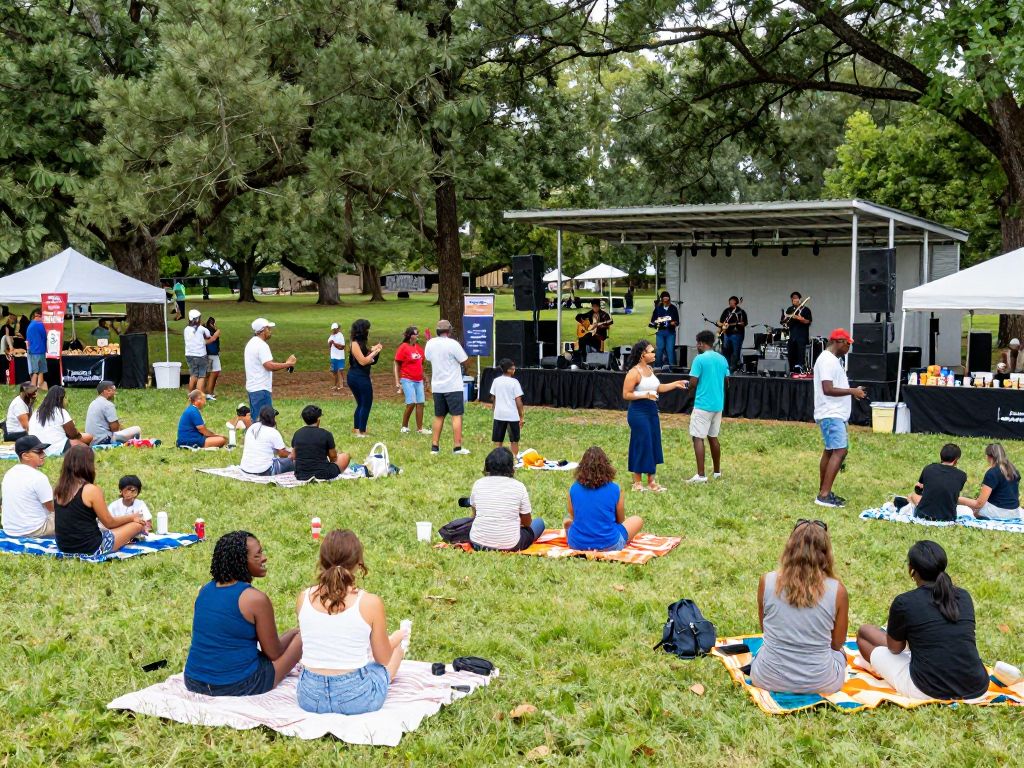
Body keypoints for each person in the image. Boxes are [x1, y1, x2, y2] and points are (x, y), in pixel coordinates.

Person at [855, 541, 989, 701]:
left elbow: (895, 649)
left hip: (927, 689)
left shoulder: (904, 602)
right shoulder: (964, 596)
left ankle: (874, 666)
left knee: (864, 635)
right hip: (977, 687)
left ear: (911, 569)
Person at [294, 529, 408, 715]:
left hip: (309, 697)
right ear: (358, 563)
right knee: (388, 660)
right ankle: (402, 650)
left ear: (322, 560)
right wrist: (396, 639)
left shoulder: (303, 598)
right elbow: (383, 658)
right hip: (356, 699)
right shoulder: (370, 602)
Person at [184, 530, 303, 696]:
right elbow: (274, 653)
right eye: (257, 555)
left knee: (296, 635)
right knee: (306, 636)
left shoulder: (205, 590)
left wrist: (291, 633)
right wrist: (299, 635)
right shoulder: (255, 599)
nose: (264, 558)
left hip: (194, 681)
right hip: (237, 685)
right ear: (240, 561)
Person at [750, 519, 849, 695]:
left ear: (790, 548)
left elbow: (765, 628)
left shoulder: (767, 581)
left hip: (767, 678)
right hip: (821, 682)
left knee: (764, 648)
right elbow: (836, 643)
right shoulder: (837, 591)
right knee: (841, 653)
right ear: (826, 553)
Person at [54, 444, 147, 556]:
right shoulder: (91, 490)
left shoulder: (58, 489)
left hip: (63, 546)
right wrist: (132, 517)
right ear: (87, 465)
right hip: (92, 547)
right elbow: (109, 523)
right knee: (137, 525)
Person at [621, 340, 687, 492]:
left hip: (651, 411)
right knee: (641, 443)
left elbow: (658, 388)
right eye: (651, 351)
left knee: (653, 442)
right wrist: (645, 395)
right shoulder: (634, 372)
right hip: (638, 412)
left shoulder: (650, 369)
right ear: (642, 354)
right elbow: (626, 394)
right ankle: (637, 483)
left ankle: (651, 482)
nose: (654, 354)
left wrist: (676, 383)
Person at [812, 329, 866, 508]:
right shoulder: (827, 360)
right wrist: (852, 391)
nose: (849, 347)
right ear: (838, 341)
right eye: (848, 344)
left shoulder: (832, 360)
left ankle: (823, 491)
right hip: (831, 413)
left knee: (830, 450)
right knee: (840, 451)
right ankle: (824, 495)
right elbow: (827, 389)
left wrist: (852, 391)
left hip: (833, 413)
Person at [565, 446, 643, 551]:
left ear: (582, 468)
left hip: (577, 544)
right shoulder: (615, 489)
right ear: (606, 467)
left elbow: (573, 516)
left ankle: (573, 532)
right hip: (609, 544)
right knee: (637, 520)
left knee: (567, 519)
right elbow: (620, 520)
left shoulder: (573, 489)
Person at [468, 447, 544, 551]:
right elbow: (527, 523)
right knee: (539, 523)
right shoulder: (519, 486)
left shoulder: (478, 484)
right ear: (511, 467)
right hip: (511, 544)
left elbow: (474, 515)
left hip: (477, 543)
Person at [687, 330, 730, 483]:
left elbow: (693, 382)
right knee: (713, 437)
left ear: (700, 343)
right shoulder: (722, 359)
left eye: (697, 343)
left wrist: (686, 388)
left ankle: (701, 475)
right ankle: (717, 472)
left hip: (703, 404)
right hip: (718, 405)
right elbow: (727, 382)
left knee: (698, 437)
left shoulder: (699, 359)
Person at [424, 319, 470, 455]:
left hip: (437, 385)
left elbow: (427, 357)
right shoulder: (453, 344)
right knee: (456, 416)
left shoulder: (430, 343)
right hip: (453, 386)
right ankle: (457, 447)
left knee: (439, 416)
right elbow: (464, 360)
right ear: (449, 331)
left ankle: (435, 447)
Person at [1, 435, 55, 537]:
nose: (43, 454)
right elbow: (52, 509)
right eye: (39, 452)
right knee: (72, 513)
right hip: (35, 530)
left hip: (10, 530)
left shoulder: (9, 473)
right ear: (25, 456)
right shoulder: (39, 477)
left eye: (43, 451)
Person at [904, 443, 971, 521]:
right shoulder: (962, 475)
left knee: (912, 495)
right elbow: (952, 492)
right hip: (948, 517)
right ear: (956, 459)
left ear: (941, 456)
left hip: (923, 514)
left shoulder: (928, 468)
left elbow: (918, 487)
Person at [244, 318, 296, 417]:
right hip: (261, 389)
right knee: (264, 421)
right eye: (269, 329)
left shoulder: (251, 343)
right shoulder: (262, 345)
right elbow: (269, 365)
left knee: (256, 418)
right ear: (263, 330)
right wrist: (288, 364)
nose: (270, 331)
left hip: (253, 388)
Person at [958, 443, 1022, 520]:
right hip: (1015, 512)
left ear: (989, 457)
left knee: (975, 511)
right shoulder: (1014, 470)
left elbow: (979, 504)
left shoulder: (992, 473)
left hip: (1000, 512)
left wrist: (956, 498)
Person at [291, 405, 350, 481]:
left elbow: (293, 456)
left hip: (300, 474)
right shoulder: (326, 434)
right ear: (318, 419)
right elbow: (333, 457)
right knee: (345, 456)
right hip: (322, 474)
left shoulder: (297, 433)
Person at [29, 385, 92, 456]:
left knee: (85, 438)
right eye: (65, 397)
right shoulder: (60, 412)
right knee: (88, 438)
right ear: (61, 398)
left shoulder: (36, 413)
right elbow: (73, 435)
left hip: (37, 449)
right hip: (57, 448)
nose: (66, 400)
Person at [347, 319, 382, 438]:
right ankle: (361, 431)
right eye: (367, 328)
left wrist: (374, 351)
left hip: (360, 375)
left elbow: (370, 360)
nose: (369, 331)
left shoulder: (361, 343)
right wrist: (374, 352)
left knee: (361, 403)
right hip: (357, 376)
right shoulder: (355, 343)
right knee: (366, 403)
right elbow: (363, 361)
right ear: (362, 330)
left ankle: (357, 429)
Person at [240, 406, 294, 476]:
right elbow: (282, 454)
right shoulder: (273, 432)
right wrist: (292, 454)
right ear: (273, 418)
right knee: (295, 461)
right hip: (264, 470)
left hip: (245, 468)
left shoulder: (252, 427)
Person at [394, 326, 429, 434]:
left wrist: (425, 377)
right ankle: (404, 426)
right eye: (415, 333)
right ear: (409, 336)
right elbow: (396, 364)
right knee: (411, 402)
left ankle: (420, 428)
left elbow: (420, 364)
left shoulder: (418, 348)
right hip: (407, 379)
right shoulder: (403, 347)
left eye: (418, 333)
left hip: (418, 380)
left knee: (420, 403)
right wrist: (397, 381)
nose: (417, 335)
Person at [85, 380, 142, 445]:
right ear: (106, 391)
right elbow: (115, 429)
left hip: (91, 441)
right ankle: (138, 444)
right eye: (113, 390)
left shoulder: (93, 403)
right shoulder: (108, 404)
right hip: (104, 440)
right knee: (137, 429)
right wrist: (118, 424)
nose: (115, 393)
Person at [490, 358, 524, 457]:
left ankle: (496, 458)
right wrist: (521, 417)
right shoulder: (514, 382)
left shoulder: (496, 381)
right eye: (513, 367)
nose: (514, 368)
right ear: (509, 370)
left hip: (499, 415)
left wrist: (494, 411)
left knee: (498, 440)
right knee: (514, 440)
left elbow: (493, 398)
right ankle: (514, 458)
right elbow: (519, 401)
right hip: (512, 416)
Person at [183, 309, 213, 395]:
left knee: (193, 374)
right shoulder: (202, 329)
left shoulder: (186, 330)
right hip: (201, 355)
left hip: (189, 355)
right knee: (201, 376)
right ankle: (199, 396)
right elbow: (208, 336)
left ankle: (190, 394)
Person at [782, 292, 812, 373]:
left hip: (802, 336)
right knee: (791, 353)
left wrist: (800, 319)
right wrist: (785, 319)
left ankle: (800, 369)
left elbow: (808, 322)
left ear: (800, 299)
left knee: (800, 354)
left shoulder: (805, 310)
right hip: (792, 336)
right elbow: (784, 321)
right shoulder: (790, 309)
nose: (794, 299)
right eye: (793, 298)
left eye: (796, 298)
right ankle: (791, 370)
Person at [648, 291, 680, 368]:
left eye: (667, 299)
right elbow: (653, 320)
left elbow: (677, 322)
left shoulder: (673, 308)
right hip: (660, 332)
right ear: (662, 299)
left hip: (670, 332)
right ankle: (658, 367)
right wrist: (657, 322)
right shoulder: (658, 308)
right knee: (660, 349)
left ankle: (672, 368)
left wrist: (673, 323)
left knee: (670, 350)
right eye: (664, 299)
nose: (666, 301)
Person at [718, 296, 747, 373]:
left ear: (736, 302)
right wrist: (722, 325)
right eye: (729, 302)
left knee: (735, 352)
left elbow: (744, 323)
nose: (730, 303)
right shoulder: (727, 311)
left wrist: (732, 324)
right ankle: (726, 368)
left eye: (731, 302)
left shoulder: (741, 312)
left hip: (737, 334)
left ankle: (733, 368)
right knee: (726, 350)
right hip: (727, 334)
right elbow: (721, 322)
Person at [25, 308, 47, 390]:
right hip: (39, 350)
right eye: (42, 317)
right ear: (38, 316)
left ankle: (37, 386)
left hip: (32, 350)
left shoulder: (30, 325)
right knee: (38, 371)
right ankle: (34, 387)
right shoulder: (39, 324)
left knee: (36, 370)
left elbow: (28, 339)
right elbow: (44, 336)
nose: (42, 319)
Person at [204, 317, 223, 399]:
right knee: (214, 373)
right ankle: (209, 393)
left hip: (207, 354)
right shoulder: (214, 332)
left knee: (208, 374)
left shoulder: (205, 331)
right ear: (212, 323)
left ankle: (206, 392)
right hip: (213, 355)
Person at [328, 322, 346, 391]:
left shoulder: (340, 335)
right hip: (333, 356)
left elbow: (342, 346)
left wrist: (334, 343)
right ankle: (335, 385)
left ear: (338, 329)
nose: (334, 330)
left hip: (340, 357)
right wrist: (330, 342)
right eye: (333, 329)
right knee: (334, 371)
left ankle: (341, 386)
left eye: (335, 329)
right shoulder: (331, 336)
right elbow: (329, 345)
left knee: (340, 370)